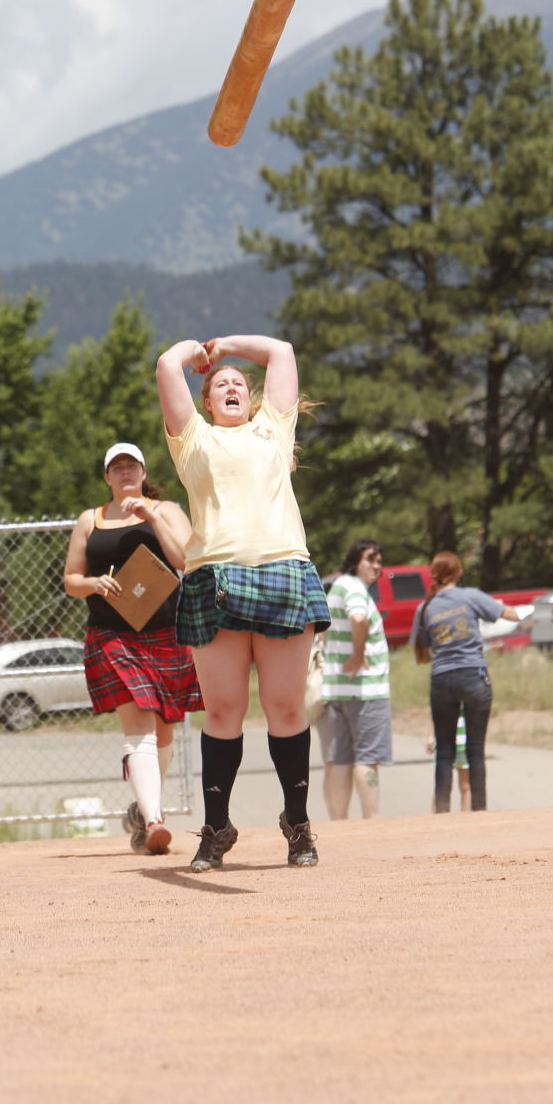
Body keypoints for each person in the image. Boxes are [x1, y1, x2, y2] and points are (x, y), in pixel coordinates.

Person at [156, 334, 330, 871]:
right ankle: (216, 829)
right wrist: (197, 354)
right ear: (205, 403)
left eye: (238, 384)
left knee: (285, 708)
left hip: (283, 571)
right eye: (219, 386)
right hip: (214, 578)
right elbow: (167, 364)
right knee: (225, 710)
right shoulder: (193, 442)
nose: (230, 386)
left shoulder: (272, 430)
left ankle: (297, 825)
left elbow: (282, 351)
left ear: (251, 400)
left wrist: (228, 345)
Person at [63, 441, 202, 856]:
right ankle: (157, 820)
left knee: (164, 728)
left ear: (143, 472)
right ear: (107, 477)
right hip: (112, 634)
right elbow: (71, 579)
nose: (125, 473)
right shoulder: (91, 520)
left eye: (132, 467)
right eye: (116, 468)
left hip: (166, 633)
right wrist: (93, 584)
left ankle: (143, 813)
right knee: (138, 721)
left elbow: (188, 558)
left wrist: (152, 517)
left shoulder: (168, 510)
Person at [410, 551, 525, 814]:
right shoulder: (470, 596)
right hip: (474, 675)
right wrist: (511, 608)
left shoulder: (425, 607)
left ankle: (441, 811)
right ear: (458, 572)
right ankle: (479, 811)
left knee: (444, 751)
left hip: (442, 679)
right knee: (475, 749)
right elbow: (510, 615)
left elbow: (423, 645)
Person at [318, 538, 393, 819]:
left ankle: (339, 824)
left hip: (336, 687)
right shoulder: (355, 588)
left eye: (379, 560)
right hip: (365, 688)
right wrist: (359, 655)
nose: (376, 565)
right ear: (355, 562)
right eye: (370, 559)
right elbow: (358, 619)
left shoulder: (337, 587)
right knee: (367, 759)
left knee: (339, 759)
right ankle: (372, 820)